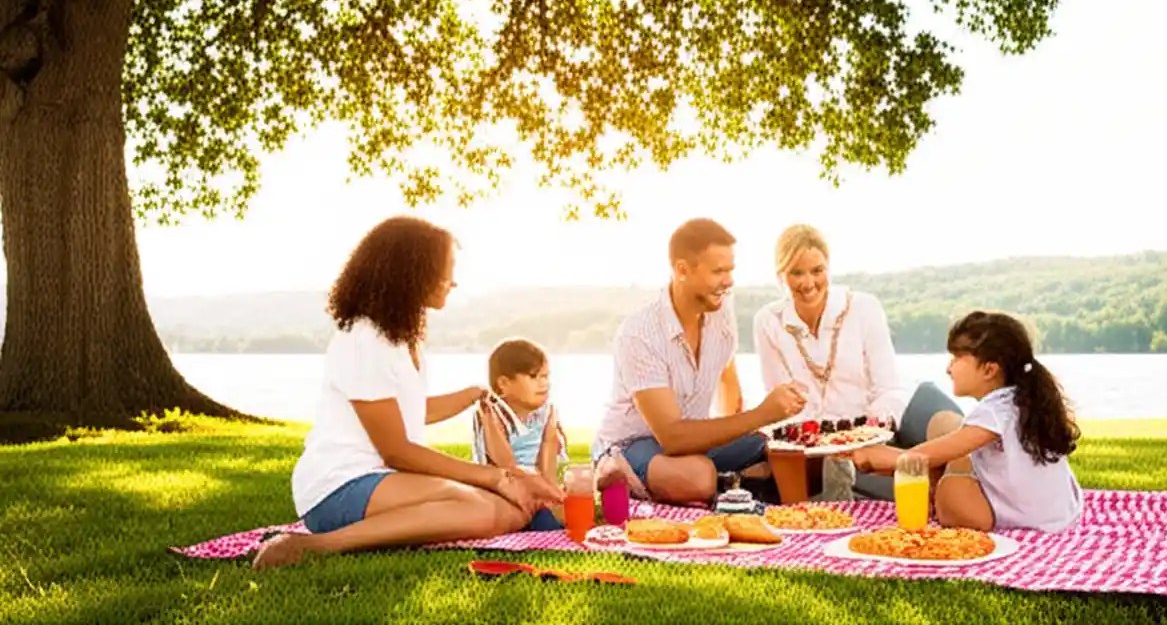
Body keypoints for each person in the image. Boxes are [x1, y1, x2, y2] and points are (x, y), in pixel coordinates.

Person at [253, 216, 563, 569]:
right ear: (414, 273)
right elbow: (396, 449)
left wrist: (472, 396)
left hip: (380, 478)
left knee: (506, 509)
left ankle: (388, 528)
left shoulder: (401, 339)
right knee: (485, 507)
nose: (453, 282)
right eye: (446, 272)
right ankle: (318, 545)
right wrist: (496, 476)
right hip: (340, 485)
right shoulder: (365, 338)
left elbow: (407, 412)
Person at [592, 218, 807, 504]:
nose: (729, 281)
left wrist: (747, 432)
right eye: (719, 271)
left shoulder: (720, 312)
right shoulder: (640, 334)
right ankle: (725, 487)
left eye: (730, 270)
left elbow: (728, 382)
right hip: (633, 446)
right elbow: (672, 436)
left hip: (692, 444)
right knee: (698, 475)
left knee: (784, 447)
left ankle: (795, 516)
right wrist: (762, 414)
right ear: (682, 270)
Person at [752, 224, 963, 500]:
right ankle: (938, 490)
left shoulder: (863, 306)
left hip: (900, 404)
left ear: (828, 267)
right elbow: (782, 402)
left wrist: (871, 432)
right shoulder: (768, 322)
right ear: (781, 274)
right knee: (900, 487)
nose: (808, 283)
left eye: (817, 270)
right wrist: (831, 440)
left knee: (956, 435)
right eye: (796, 272)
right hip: (837, 437)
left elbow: (887, 385)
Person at [850, 311, 1083, 532]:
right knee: (950, 456)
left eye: (957, 358)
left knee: (951, 491)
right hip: (1061, 512)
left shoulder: (995, 411)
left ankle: (934, 494)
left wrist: (881, 455)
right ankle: (933, 484)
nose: (948, 368)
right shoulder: (1018, 400)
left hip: (1029, 518)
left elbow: (928, 456)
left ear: (989, 369)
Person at [472, 338, 567, 531]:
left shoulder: (547, 412)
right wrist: (488, 420)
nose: (544, 384)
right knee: (539, 522)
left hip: (537, 485)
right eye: (534, 377)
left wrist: (550, 493)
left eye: (545, 376)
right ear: (504, 384)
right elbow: (505, 465)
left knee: (562, 512)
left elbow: (547, 453)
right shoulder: (494, 414)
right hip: (504, 487)